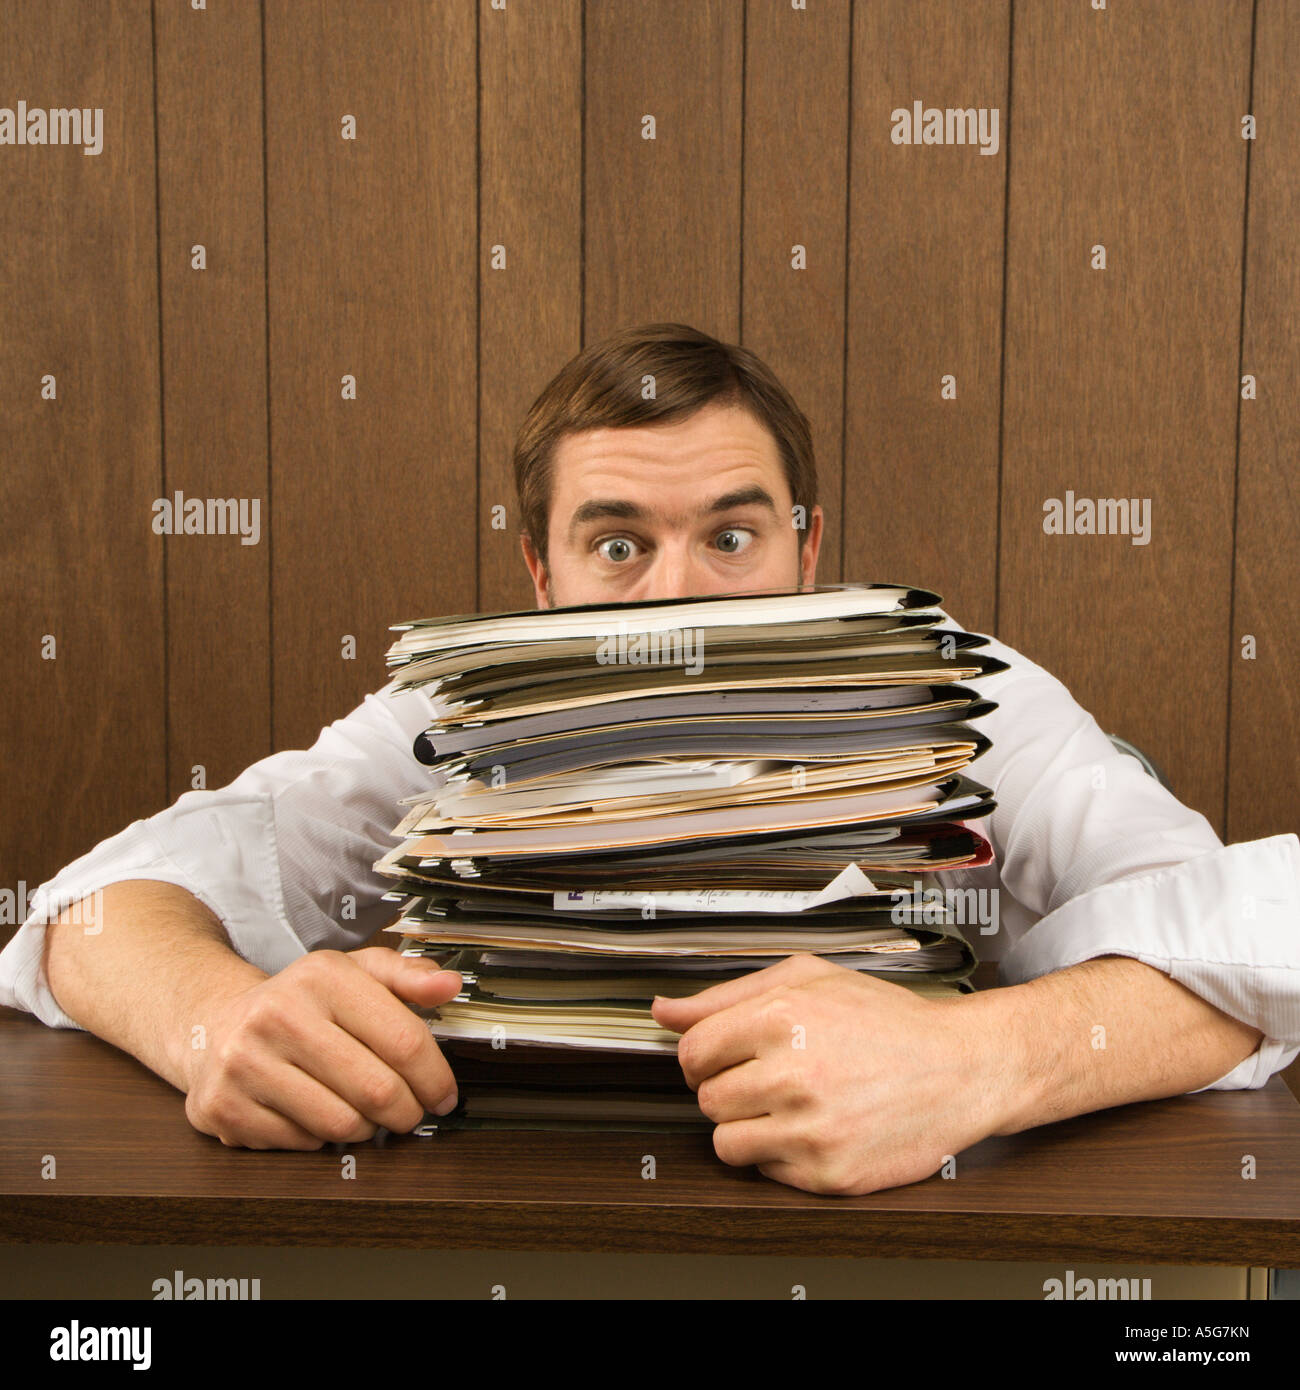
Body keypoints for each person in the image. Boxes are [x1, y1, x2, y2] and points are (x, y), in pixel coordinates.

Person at [3, 323, 1297, 1198]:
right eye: (618, 544)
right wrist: (215, 1019)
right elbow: (98, 906)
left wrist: (978, 1062)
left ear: (807, 550)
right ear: (542, 574)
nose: (678, 599)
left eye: (731, 537)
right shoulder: (460, 715)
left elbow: (1254, 929)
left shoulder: (963, 698)